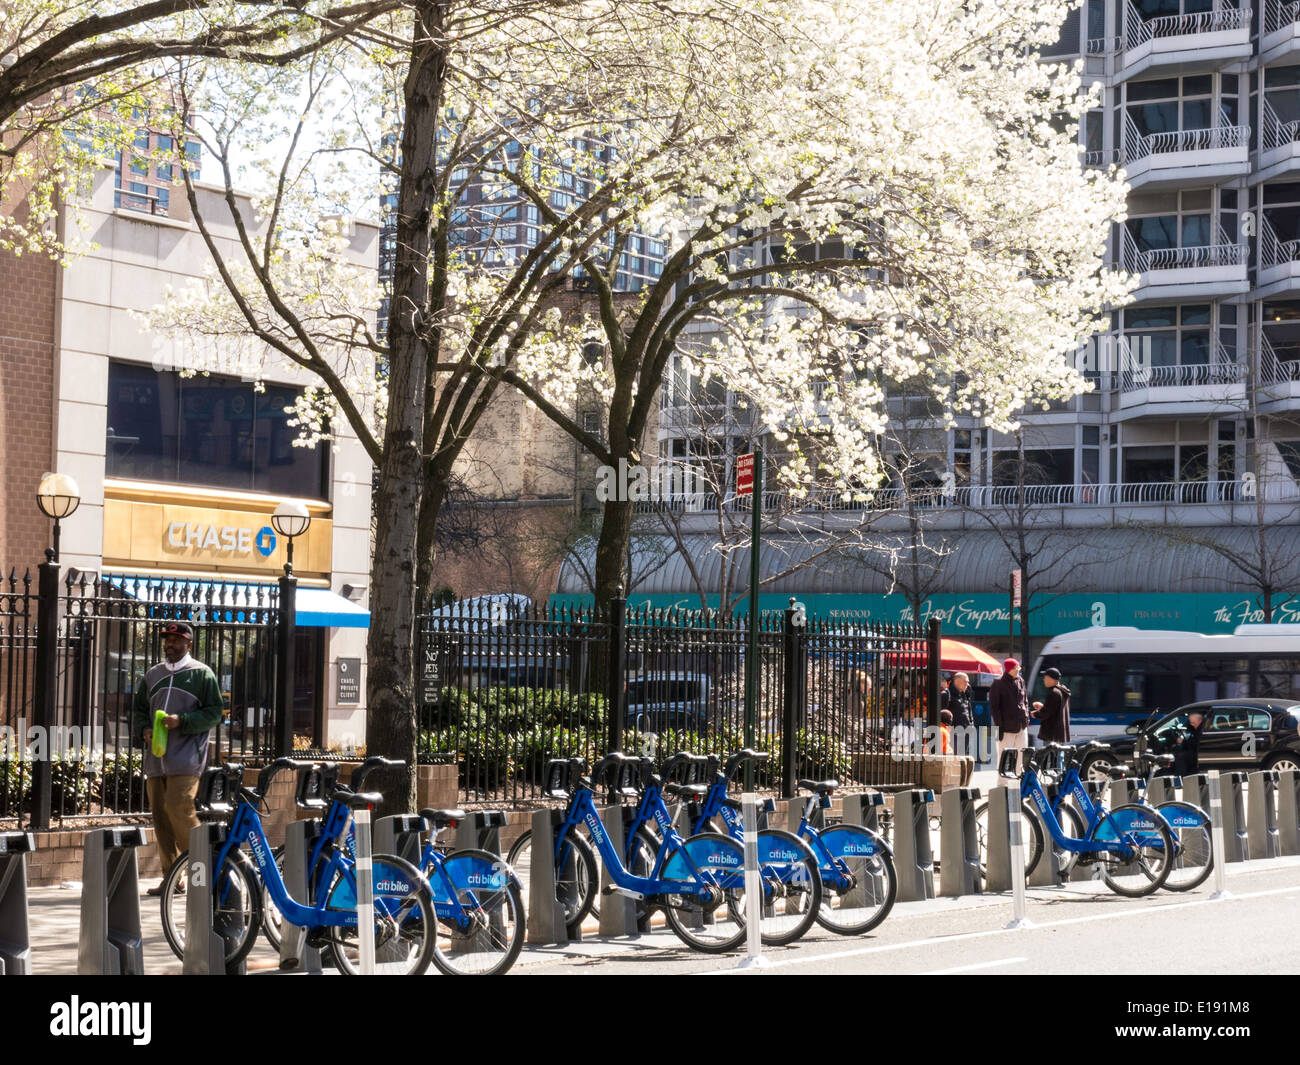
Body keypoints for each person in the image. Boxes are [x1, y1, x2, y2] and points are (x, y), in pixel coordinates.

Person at [132, 620, 224, 895]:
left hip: (186, 759)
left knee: (179, 809)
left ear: (189, 644)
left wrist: (182, 721)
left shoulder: (202, 674)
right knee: (160, 817)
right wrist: (144, 729)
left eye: (175, 640)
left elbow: (214, 713)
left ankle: (203, 870)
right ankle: (172, 878)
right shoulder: (152, 675)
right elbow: (137, 711)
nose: (169, 644)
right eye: (166, 640)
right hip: (156, 759)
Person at [988, 658, 1031, 766]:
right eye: (1016, 668)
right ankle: (1002, 782)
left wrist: (1026, 717)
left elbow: (1025, 701)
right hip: (1005, 727)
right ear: (1008, 669)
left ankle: (1017, 781)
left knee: (1021, 755)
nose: (1018, 670)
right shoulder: (998, 683)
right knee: (1004, 755)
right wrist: (999, 725)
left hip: (1021, 725)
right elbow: (994, 707)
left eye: (1018, 668)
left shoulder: (1021, 681)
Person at [1032, 666, 1071, 744]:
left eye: (1045, 677)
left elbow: (1046, 713)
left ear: (1051, 678)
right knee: (1059, 755)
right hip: (1059, 734)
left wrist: (1034, 714)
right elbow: (1054, 709)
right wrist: (1042, 707)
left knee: (1050, 755)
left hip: (1052, 734)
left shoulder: (1054, 692)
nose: (1044, 680)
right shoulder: (1062, 691)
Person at [940, 672, 974, 753]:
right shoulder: (946, 694)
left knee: (962, 758)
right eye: (966, 681)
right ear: (957, 681)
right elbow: (941, 713)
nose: (968, 684)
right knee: (954, 758)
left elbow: (969, 711)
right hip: (953, 733)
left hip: (965, 732)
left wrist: (971, 725)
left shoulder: (965, 694)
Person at [1171, 710, 1206, 776]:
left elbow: (1195, 742)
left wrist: (1183, 741)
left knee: (1181, 757)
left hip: (1197, 754)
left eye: (1193, 723)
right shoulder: (1196, 727)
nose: (1192, 724)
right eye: (1191, 723)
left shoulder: (1201, 729)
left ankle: (1180, 778)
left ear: (1199, 721)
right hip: (1195, 752)